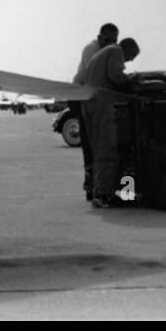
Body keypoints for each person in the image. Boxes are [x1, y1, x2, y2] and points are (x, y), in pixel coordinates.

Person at [81, 36, 141, 208]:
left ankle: (98, 190)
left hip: (90, 102)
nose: (130, 60)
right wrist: (131, 79)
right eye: (132, 56)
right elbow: (115, 77)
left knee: (99, 149)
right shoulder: (116, 51)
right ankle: (104, 195)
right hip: (102, 103)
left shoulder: (103, 52)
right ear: (127, 48)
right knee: (108, 150)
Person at [72, 22, 119, 201]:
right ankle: (92, 187)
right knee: (91, 145)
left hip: (92, 97)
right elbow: (99, 77)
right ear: (99, 38)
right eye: (108, 40)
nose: (111, 44)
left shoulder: (107, 51)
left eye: (114, 41)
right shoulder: (91, 50)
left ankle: (97, 186)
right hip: (82, 96)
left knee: (96, 145)